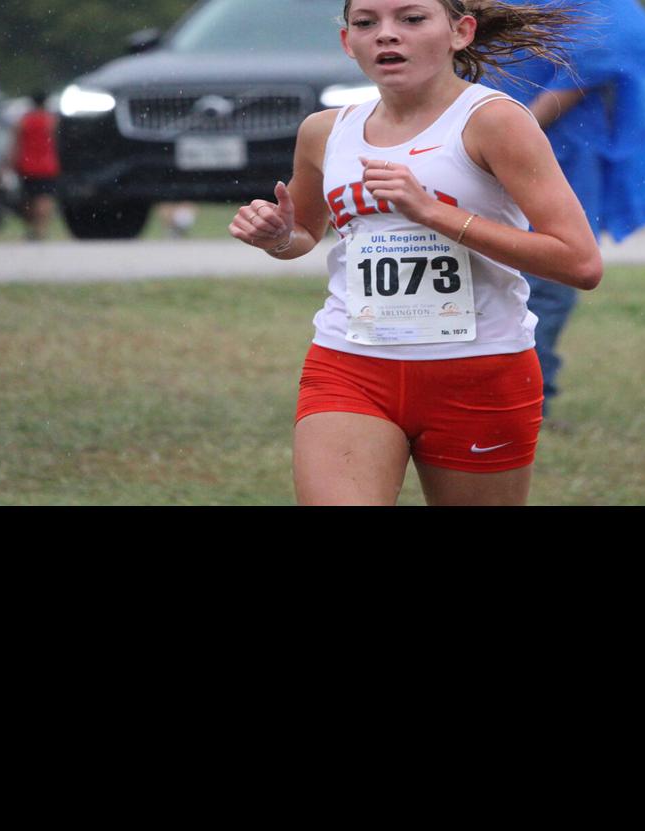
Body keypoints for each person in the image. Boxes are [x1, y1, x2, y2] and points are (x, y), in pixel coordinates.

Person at [228, 0, 602, 506]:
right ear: (347, 42)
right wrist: (274, 235)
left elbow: (579, 262)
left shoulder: (494, 121)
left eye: (411, 18)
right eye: (366, 23)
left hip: (480, 371)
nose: (386, 35)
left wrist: (433, 213)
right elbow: (303, 236)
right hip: (350, 364)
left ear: (460, 32)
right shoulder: (323, 131)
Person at [485, 0, 645, 427]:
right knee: (531, 279)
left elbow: (601, 50)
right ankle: (516, 401)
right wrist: (508, 130)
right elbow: (603, 50)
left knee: (534, 275)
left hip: (535, 143)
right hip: (515, 142)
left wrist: (508, 131)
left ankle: (519, 399)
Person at [11, 92, 60, 240]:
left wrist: (10, 163)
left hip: (27, 165)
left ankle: (31, 228)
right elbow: (59, 144)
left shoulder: (23, 122)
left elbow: (15, 145)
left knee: (29, 198)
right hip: (48, 165)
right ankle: (42, 229)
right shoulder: (52, 121)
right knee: (45, 198)